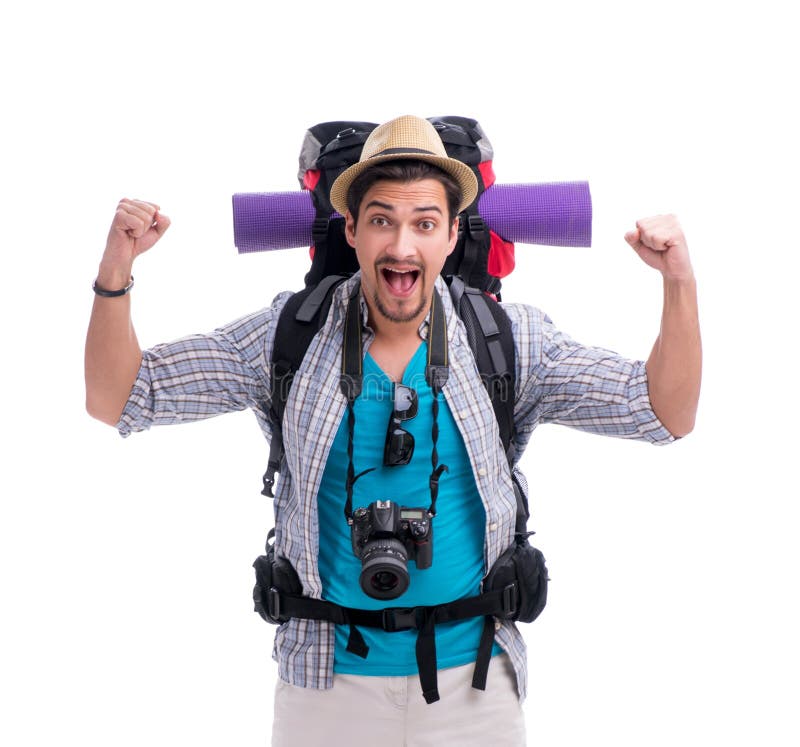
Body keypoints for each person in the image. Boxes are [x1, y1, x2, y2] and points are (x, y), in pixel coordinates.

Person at [85, 115, 701, 746]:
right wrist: (116, 273)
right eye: (381, 220)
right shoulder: (287, 337)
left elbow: (659, 411)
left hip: (476, 688)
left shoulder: (509, 342)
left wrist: (678, 282)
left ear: (453, 232)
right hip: (322, 688)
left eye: (424, 223)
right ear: (350, 229)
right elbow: (124, 396)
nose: (402, 247)